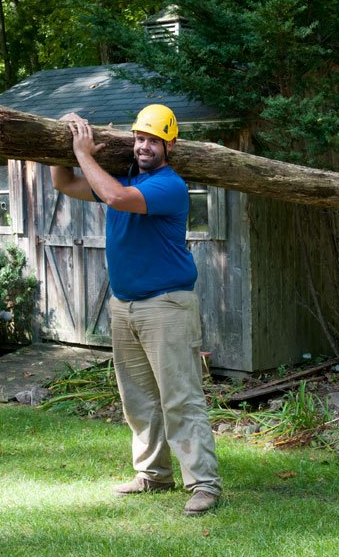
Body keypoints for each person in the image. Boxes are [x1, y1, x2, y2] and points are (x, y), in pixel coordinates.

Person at [50, 104, 222, 516]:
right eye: (140, 139)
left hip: (167, 305)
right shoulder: (123, 174)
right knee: (138, 398)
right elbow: (65, 184)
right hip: (124, 305)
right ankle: (153, 474)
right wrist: (60, 139)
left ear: (169, 145)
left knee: (180, 396)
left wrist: (83, 153)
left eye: (153, 140)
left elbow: (115, 197)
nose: (144, 147)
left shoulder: (170, 185)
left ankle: (204, 484)